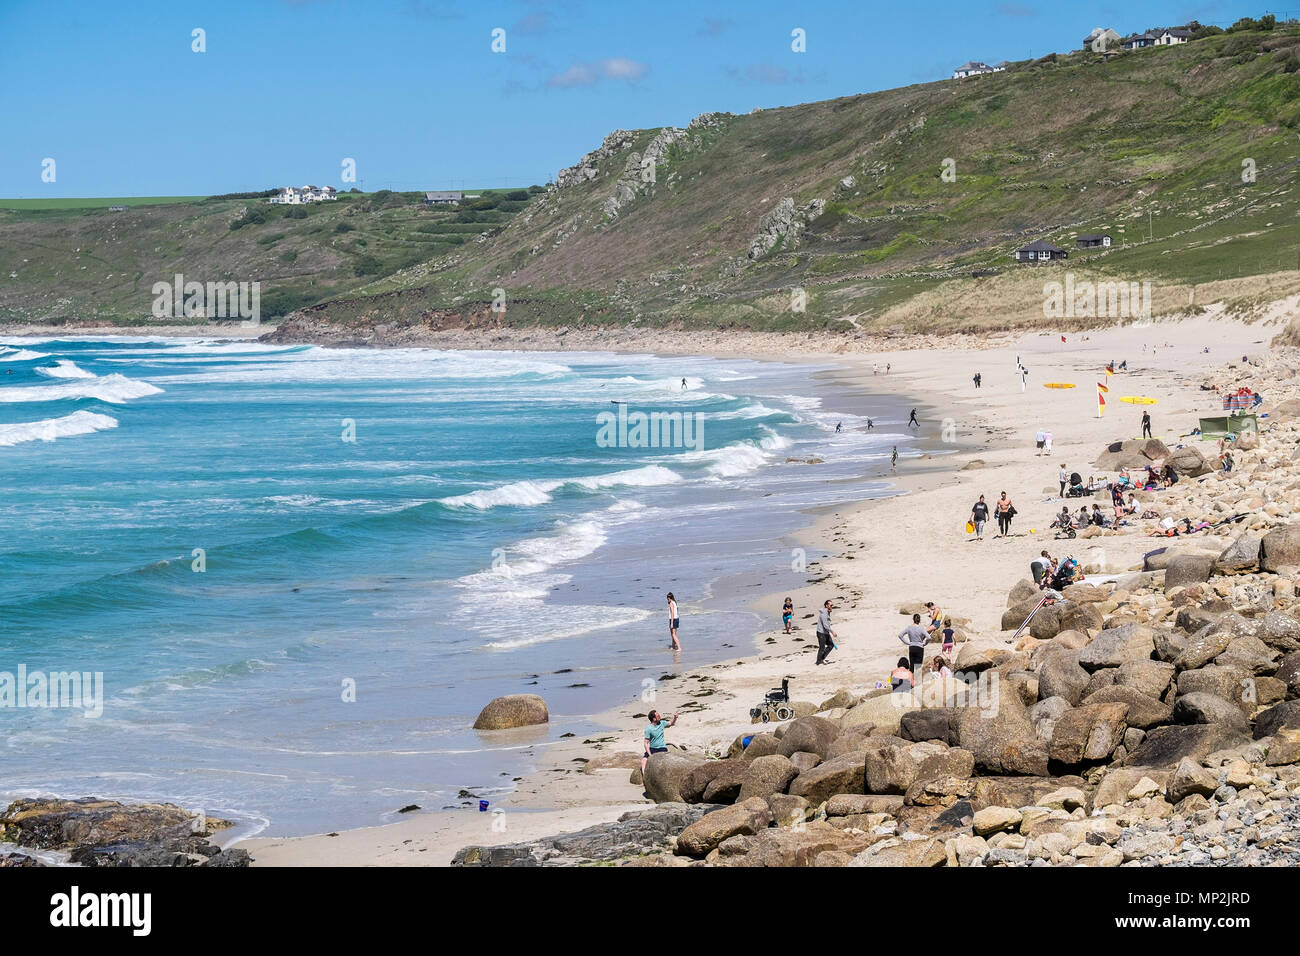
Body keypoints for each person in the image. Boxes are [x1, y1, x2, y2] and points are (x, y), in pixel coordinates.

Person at [641, 710, 679, 775]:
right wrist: (650, 755)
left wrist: (675, 718)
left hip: (662, 748)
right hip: (652, 749)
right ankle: (645, 778)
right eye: (658, 716)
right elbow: (646, 743)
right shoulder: (648, 729)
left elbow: (671, 723)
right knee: (643, 761)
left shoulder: (662, 723)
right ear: (654, 719)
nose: (660, 716)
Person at [815, 599, 837, 665]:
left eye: (832, 605)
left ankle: (821, 659)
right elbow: (825, 625)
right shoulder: (824, 613)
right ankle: (818, 662)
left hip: (825, 632)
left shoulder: (827, 611)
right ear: (826, 605)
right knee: (822, 647)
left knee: (831, 645)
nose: (832, 606)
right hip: (821, 633)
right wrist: (832, 632)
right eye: (830, 605)